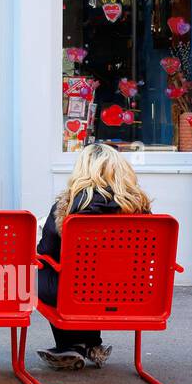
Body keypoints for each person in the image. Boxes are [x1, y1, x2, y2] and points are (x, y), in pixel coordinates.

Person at [36, 142, 153, 370]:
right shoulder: (141, 209)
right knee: (96, 277)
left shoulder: (67, 206)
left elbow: (45, 252)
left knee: (45, 273)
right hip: (129, 291)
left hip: (76, 293)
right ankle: (91, 345)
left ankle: (71, 345)